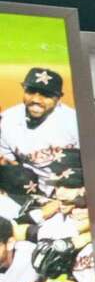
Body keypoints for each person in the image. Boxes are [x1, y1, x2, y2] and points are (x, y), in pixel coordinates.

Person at [0, 68, 83, 203]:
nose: (36, 100)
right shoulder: (7, 120)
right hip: (30, 189)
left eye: (46, 94)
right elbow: (9, 163)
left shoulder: (75, 122)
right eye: (31, 91)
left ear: (58, 98)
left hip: (69, 189)